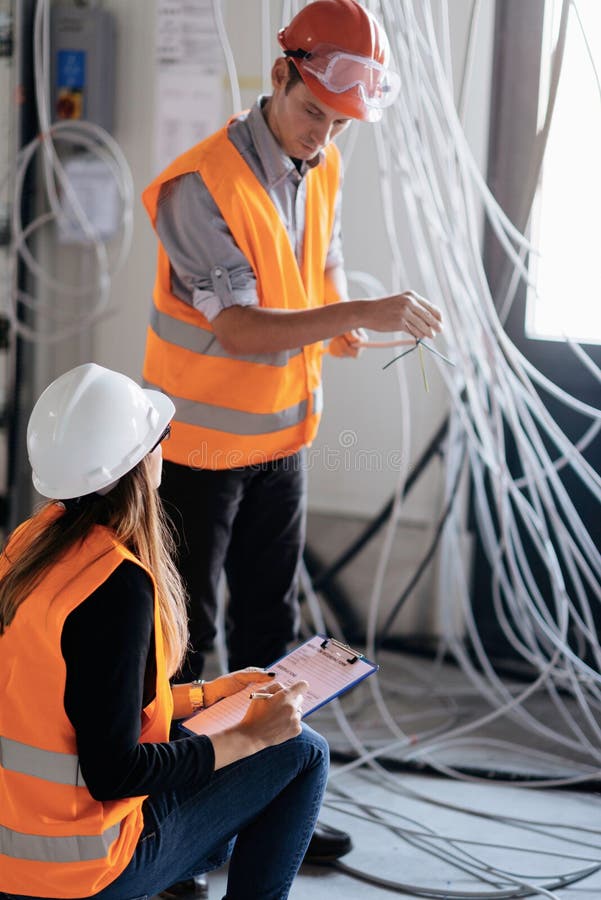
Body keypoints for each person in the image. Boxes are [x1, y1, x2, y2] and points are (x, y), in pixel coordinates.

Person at [142, 0, 443, 875]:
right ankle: (173, 829)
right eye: (313, 110)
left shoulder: (323, 162)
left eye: (340, 122)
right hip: (197, 451)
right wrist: (357, 311)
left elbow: (324, 261)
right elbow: (237, 327)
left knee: (275, 633)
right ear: (278, 74)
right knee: (184, 641)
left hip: (281, 443)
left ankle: (273, 805)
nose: (321, 136)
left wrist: (343, 317)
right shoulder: (198, 186)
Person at [0, 363, 329, 900]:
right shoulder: (115, 584)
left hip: (13, 855)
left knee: (223, 758)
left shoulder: (28, 549)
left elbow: (69, 707)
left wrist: (204, 697)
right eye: (162, 437)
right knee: (302, 750)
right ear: (138, 463)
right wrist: (249, 737)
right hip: (80, 873)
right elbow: (114, 772)